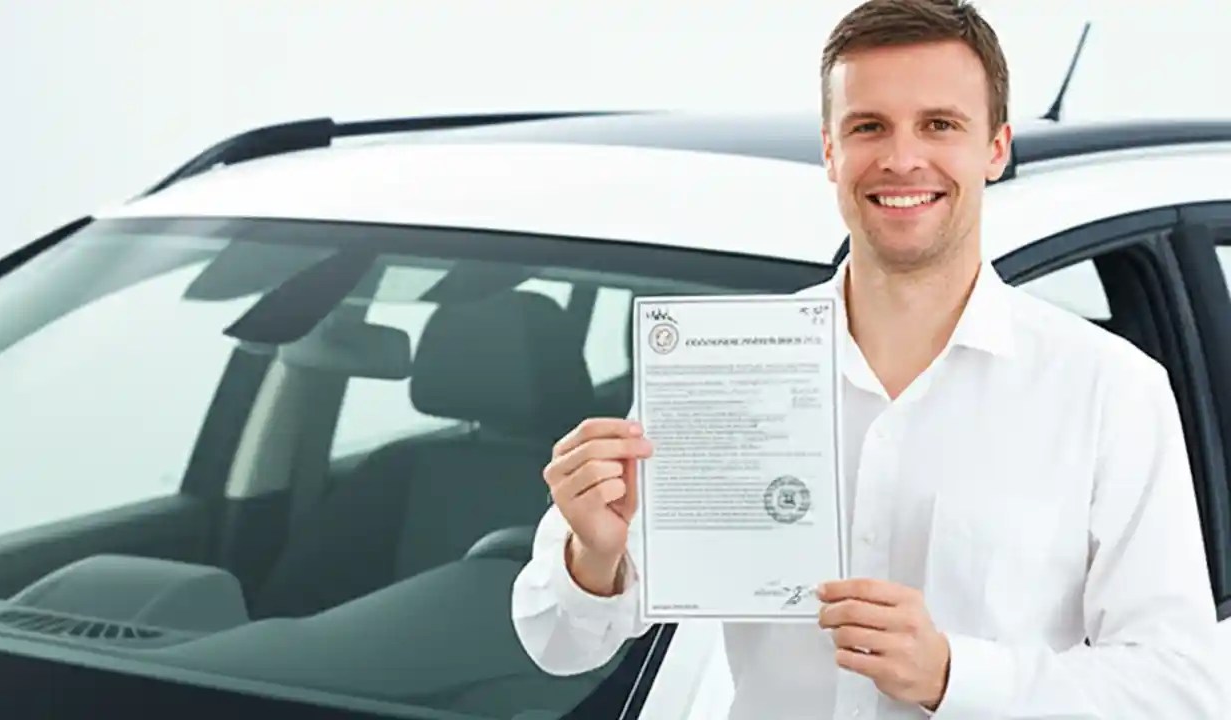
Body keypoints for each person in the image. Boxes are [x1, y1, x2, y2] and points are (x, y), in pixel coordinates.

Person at [510, 0, 1223, 717]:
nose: (902, 158)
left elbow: (1177, 691)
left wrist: (955, 674)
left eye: (939, 124)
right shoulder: (720, 367)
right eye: (868, 126)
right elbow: (558, 645)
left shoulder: (1108, 390)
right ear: (830, 150)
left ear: (995, 148)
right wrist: (592, 556)